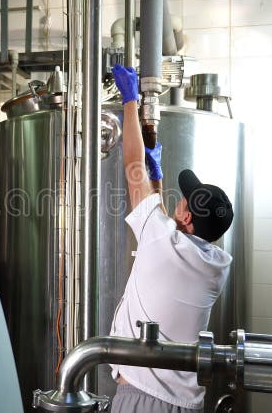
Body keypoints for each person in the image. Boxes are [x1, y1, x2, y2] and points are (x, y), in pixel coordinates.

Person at [108, 63, 234, 413]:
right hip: (185, 404)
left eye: (184, 199)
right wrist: (158, 180)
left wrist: (130, 101)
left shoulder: (164, 242)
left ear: (188, 216)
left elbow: (133, 165)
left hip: (144, 401)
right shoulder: (213, 266)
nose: (178, 201)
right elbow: (162, 233)